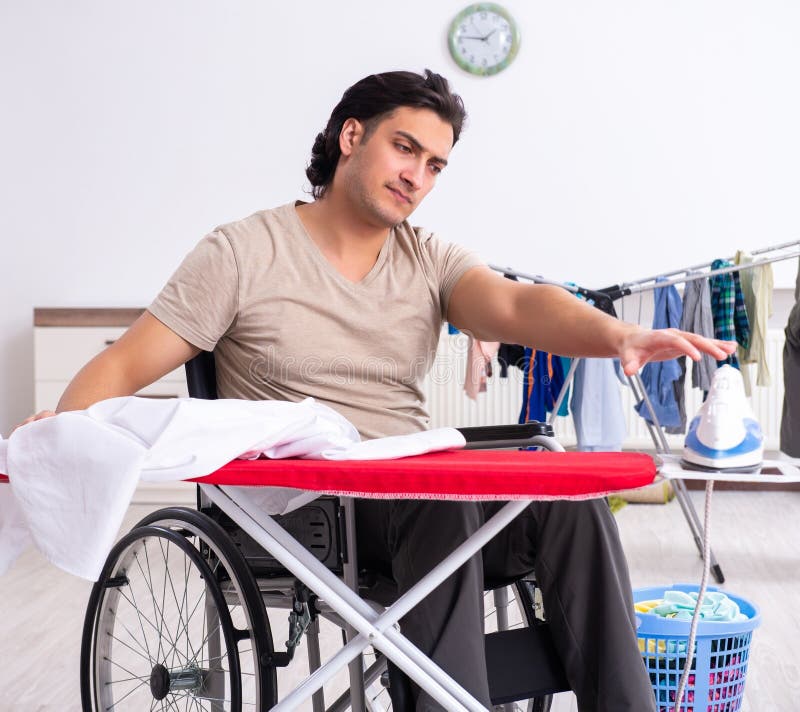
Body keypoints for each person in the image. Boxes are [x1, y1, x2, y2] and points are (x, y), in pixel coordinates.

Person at [19, 69, 735, 711]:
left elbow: (517, 306)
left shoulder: (431, 260)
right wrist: (59, 429)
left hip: (413, 497)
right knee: (437, 498)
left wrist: (616, 336)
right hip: (303, 509)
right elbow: (126, 363)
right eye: (405, 149)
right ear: (350, 136)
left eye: (434, 166)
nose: (417, 176)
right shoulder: (241, 252)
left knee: (570, 506)